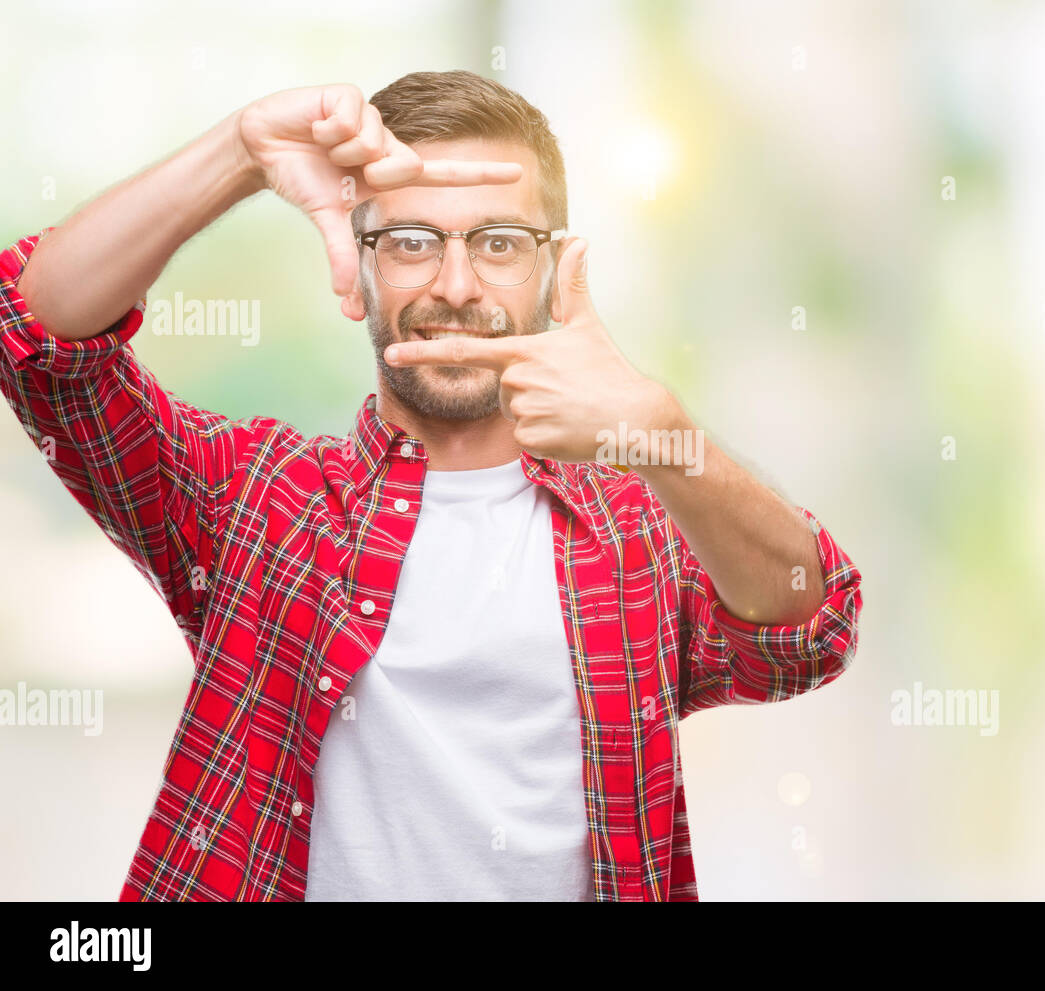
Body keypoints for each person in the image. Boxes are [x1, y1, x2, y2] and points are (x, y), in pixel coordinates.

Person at [0, 70, 861, 901]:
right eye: (411, 241)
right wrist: (243, 150)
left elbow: (810, 630)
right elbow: (38, 339)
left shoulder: (637, 526)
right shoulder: (257, 501)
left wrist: (664, 436)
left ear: (553, 273)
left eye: (498, 242)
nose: (455, 285)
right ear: (359, 263)